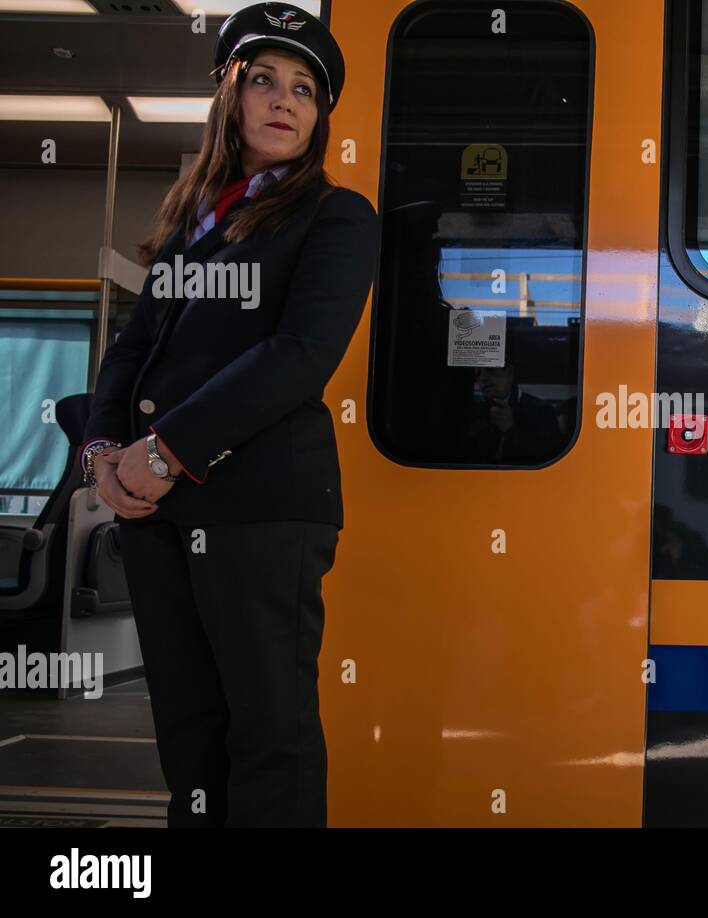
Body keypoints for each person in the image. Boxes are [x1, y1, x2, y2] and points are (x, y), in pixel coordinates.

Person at [77, 2, 378, 827]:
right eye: (264, 81)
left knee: (269, 736)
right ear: (231, 98)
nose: (285, 101)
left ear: (318, 117)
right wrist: (104, 452)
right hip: (158, 510)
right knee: (189, 732)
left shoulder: (336, 217)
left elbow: (299, 355)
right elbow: (132, 347)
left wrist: (162, 452)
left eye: (306, 90)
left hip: (262, 511)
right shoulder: (189, 224)